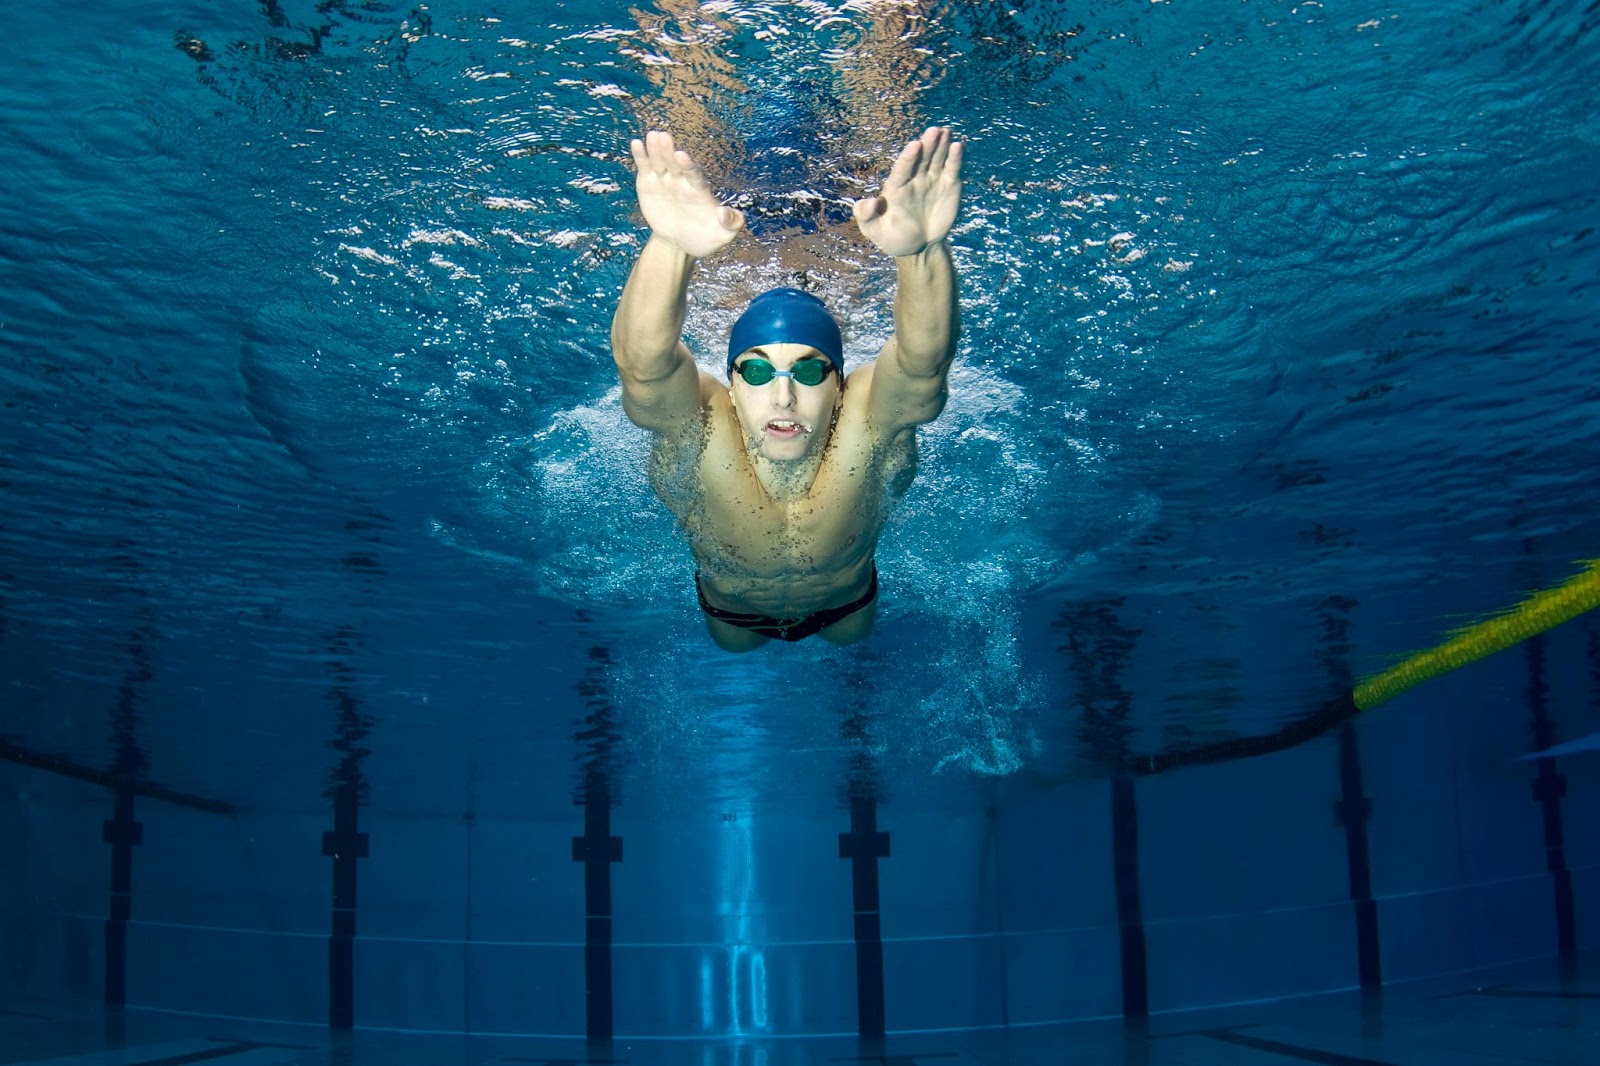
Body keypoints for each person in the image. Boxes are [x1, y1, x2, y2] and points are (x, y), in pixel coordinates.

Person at [611, 126, 963, 651]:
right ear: (730, 385)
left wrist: (921, 253)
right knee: (737, 647)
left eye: (808, 371)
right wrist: (672, 246)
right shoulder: (703, 428)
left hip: (848, 602)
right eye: (755, 372)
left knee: (852, 645)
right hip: (735, 615)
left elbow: (922, 368)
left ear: (840, 385)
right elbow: (644, 370)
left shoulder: (868, 421)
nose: (783, 398)